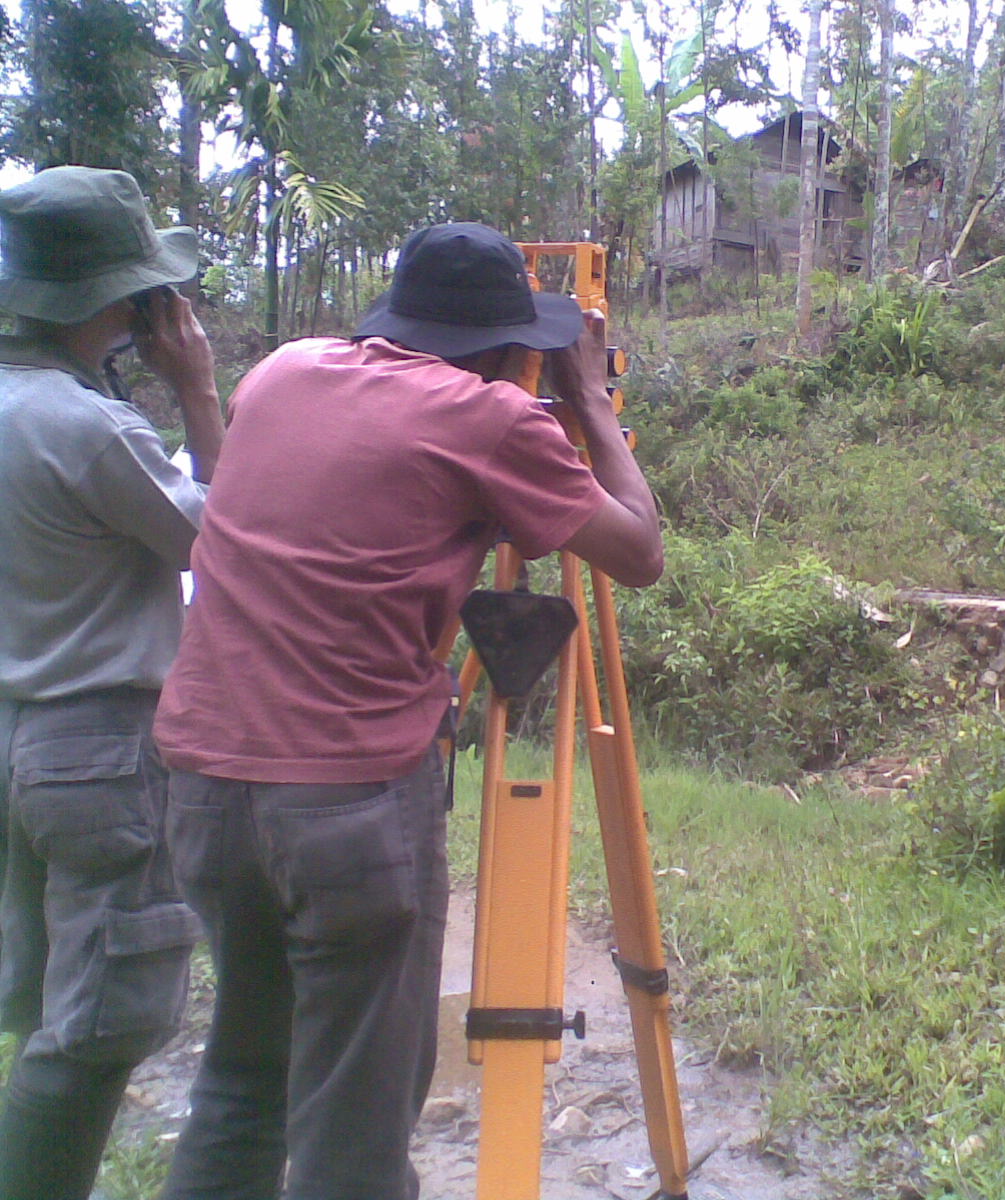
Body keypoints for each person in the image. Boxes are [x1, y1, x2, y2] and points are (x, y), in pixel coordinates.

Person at [153, 221, 663, 1200]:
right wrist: (591, 406)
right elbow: (638, 554)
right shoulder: (489, 422)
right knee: (355, 1127)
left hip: (206, 789)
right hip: (347, 806)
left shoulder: (280, 373)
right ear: (512, 345)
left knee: (241, 1082)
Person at [0, 166, 224, 1199]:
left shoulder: (27, 406)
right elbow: (222, 541)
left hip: (21, 735)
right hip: (100, 747)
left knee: (55, 1004)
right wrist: (197, 391)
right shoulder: (88, 428)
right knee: (96, 1030)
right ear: (121, 301)